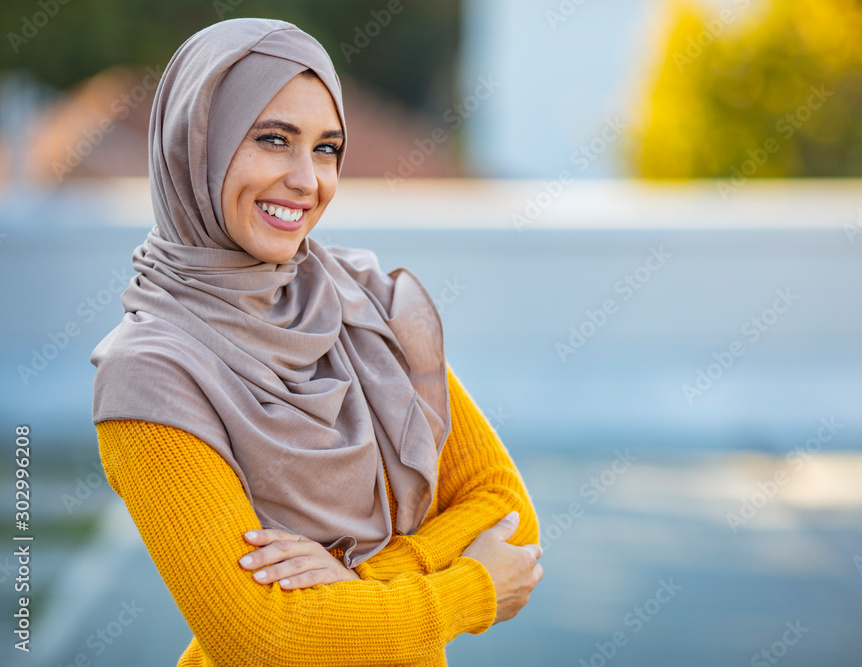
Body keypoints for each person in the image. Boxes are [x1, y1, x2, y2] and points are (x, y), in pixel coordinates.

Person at [90, 17, 542, 667]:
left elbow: (508, 513)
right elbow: (265, 639)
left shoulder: (363, 303)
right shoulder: (151, 373)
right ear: (198, 145)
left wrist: (366, 578)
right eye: (274, 139)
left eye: (327, 148)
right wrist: (469, 589)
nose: (307, 180)